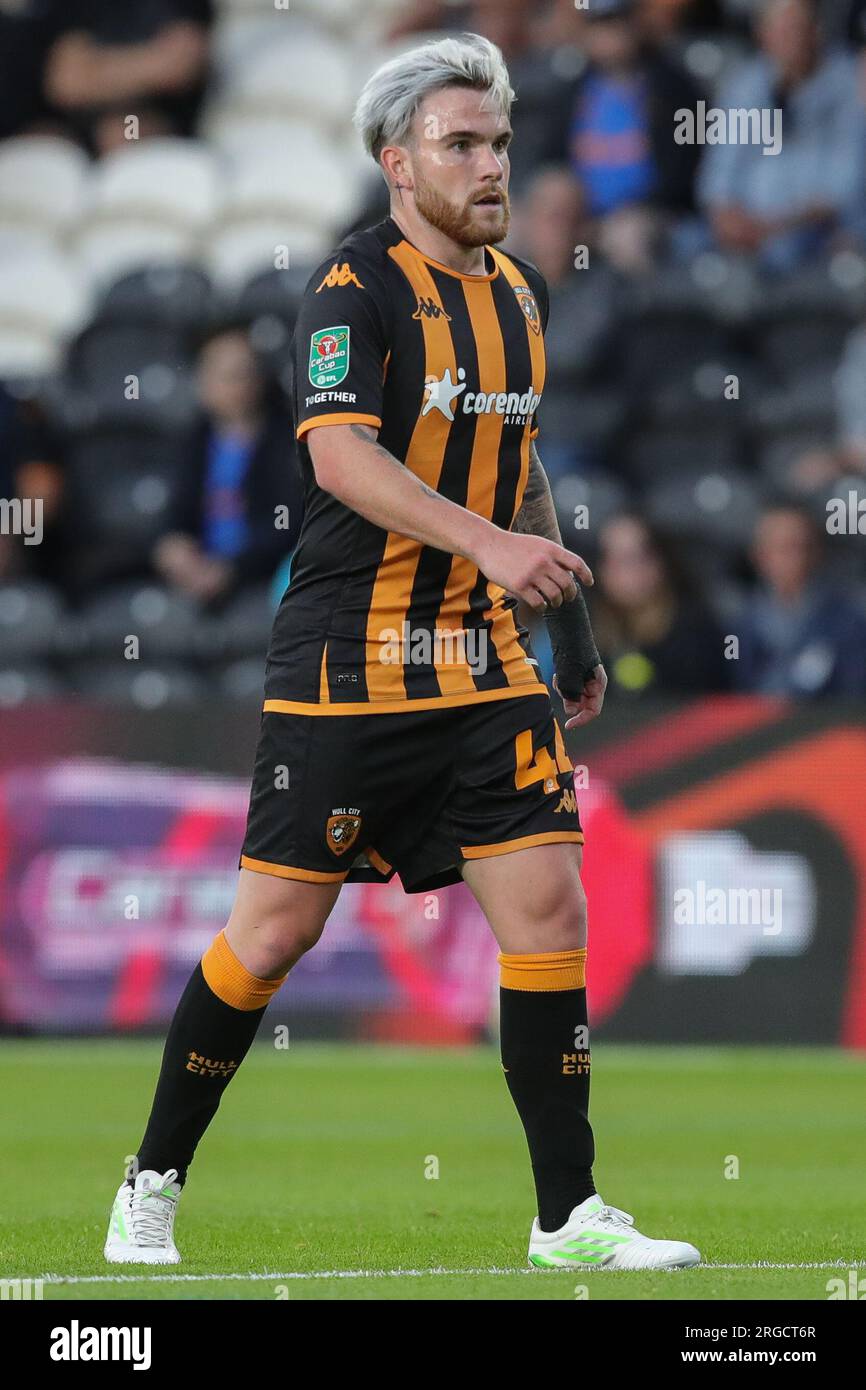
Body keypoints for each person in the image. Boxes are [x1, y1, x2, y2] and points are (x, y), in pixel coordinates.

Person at [104, 32, 700, 1274]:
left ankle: (566, 1216)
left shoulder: (520, 294)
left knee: (546, 909)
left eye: (497, 143)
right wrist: (486, 545)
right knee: (271, 933)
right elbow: (338, 458)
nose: (490, 166)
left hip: (486, 664)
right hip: (350, 659)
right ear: (397, 162)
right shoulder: (348, 289)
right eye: (461, 146)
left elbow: (516, 467)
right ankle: (149, 1182)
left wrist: (568, 629)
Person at [697, 0, 866, 273]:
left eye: (798, 28)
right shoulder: (746, 87)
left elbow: (844, 187)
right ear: (762, 34)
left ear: (816, 31)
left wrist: (777, 228)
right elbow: (718, 179)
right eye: (781, 29)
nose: (791, 39)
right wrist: (728, 218)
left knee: (790, 251)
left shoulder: (849, 84)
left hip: (817, 231)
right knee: (691, 246)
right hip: (749, 230)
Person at [152, 324, 303, 606]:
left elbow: (288, 524)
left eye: (243, 374)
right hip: (200, 574)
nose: (236, 386)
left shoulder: (286, 439)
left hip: (263, 576)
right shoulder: (194, 439)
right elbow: (177, 511)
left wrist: (233, 569)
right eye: (224, 376)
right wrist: (173, 545)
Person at [734, 501, 866, 695]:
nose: (795, 558)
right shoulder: (739, 625)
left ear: (817, 553)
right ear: (759, 556)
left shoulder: (849, 622)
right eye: (782, 548)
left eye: (802, 547)